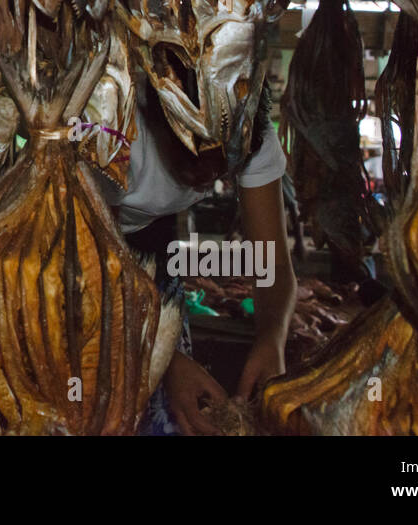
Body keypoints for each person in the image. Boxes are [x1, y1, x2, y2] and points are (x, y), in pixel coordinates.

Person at [116, 82, 297, 435]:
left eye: (225, 167)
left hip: (153, 268)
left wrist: (271, 336)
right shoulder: (114, 127)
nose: (211, 179)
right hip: (63, 266)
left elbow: (271, 263)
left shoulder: (245, 125)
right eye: (196, 160)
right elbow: (74, 271)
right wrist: (165, 363)